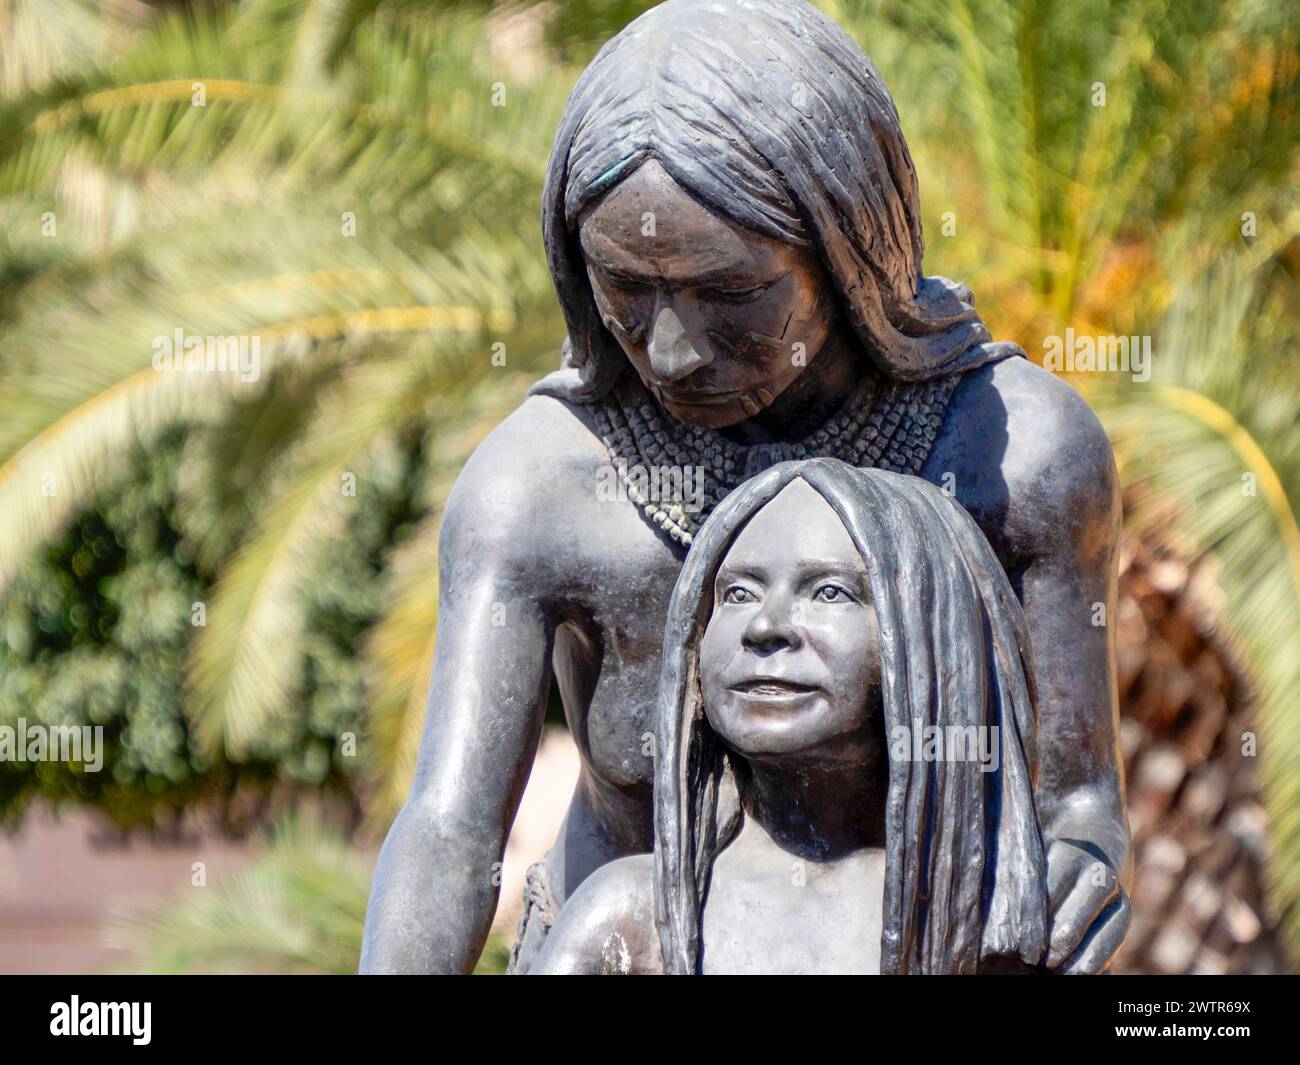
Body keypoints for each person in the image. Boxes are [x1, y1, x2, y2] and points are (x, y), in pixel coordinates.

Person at [361, 0, 1128, 974]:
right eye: (626, 292)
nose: (672, 353)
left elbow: (1078, 806)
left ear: (851, 251)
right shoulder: (541, 488)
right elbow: (451, 830)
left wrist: (1078, 870)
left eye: (730, 295)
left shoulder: (1013, 459)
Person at [532, 460, 1052, 974]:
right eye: (737, 593)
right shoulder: (626, 920)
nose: (764, 626)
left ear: (933, 638)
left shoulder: (1000, 928)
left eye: (829, 592)